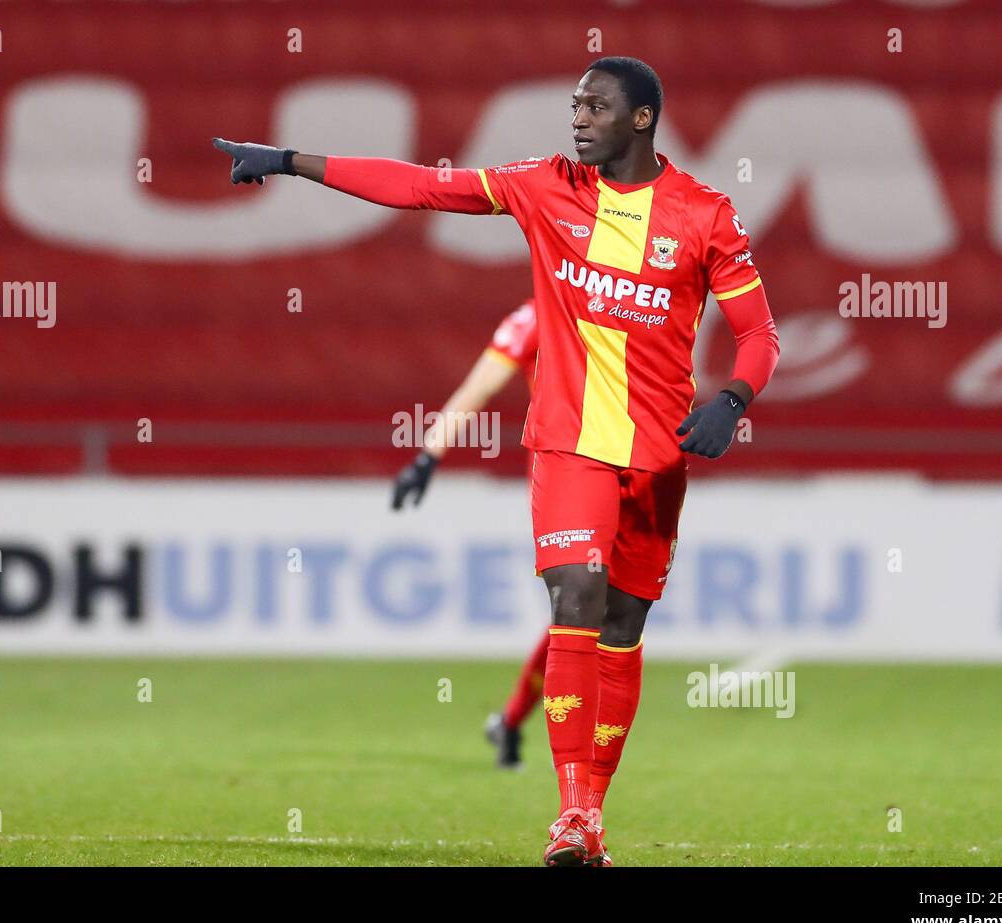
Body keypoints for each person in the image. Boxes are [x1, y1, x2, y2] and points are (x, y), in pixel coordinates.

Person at [213, 55, 779, 866]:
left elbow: (760, 333)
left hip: (656, 458)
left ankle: (593, 811)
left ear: (642, 120)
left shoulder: (704, 214)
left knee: (624, 623)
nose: (577, 117)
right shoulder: (542, 186)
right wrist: (291, 161)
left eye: (596, 106)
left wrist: (733, 400)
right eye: (574, 104)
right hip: (567, 443)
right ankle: (574, 818)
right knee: (576, 594)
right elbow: (420, 186)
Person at [388, 298, 550, 770]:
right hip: (562, 470)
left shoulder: (630, 296)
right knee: (580, 608)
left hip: (627, 461)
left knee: (606, 613)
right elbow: (476, 390)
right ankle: (573, 775)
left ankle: (514, 720)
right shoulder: (535, 318)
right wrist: (427, 457)